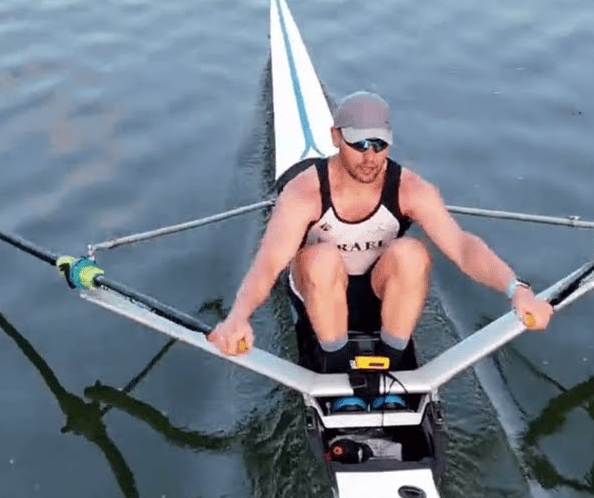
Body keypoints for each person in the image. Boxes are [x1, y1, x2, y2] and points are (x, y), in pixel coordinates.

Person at [207, 91, 554, 376]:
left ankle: (394, 360)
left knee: (412, 252)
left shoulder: (411, 189)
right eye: (358, 144)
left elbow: (462, 247)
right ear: (335, 137)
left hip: (377, 288)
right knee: (322, 257)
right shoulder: (303, 194)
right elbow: (268, 264)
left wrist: (516, 289)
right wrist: (238, 318)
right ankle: (335, 367)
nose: (370, 157)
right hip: (318, 288)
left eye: (379, 144)